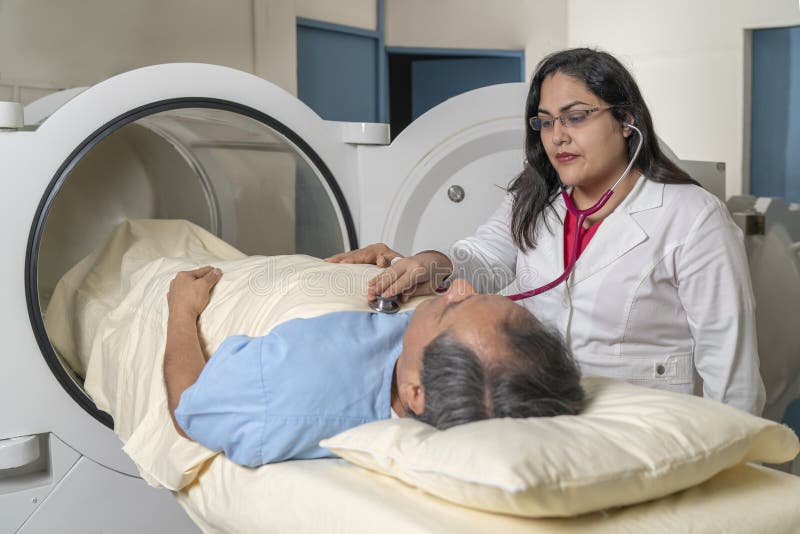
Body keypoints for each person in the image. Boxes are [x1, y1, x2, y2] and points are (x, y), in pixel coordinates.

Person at [327, 48, 766, 415]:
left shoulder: (691, 216)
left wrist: (734, 463)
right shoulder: (534, 198)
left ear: (626, 121)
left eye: (576, 117)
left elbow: (731, 365)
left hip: (648, 420)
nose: (558, 137)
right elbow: (482, 262)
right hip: (541, 411)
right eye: (546, 121)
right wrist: (429, 264)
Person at [163, 266, 585, 467]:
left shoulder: (290, 394)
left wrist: (181, 311)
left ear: (416, 393)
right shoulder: (430, 361)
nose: (458, 286)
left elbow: (190, 409)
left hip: (210, 284)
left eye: (452, 308)